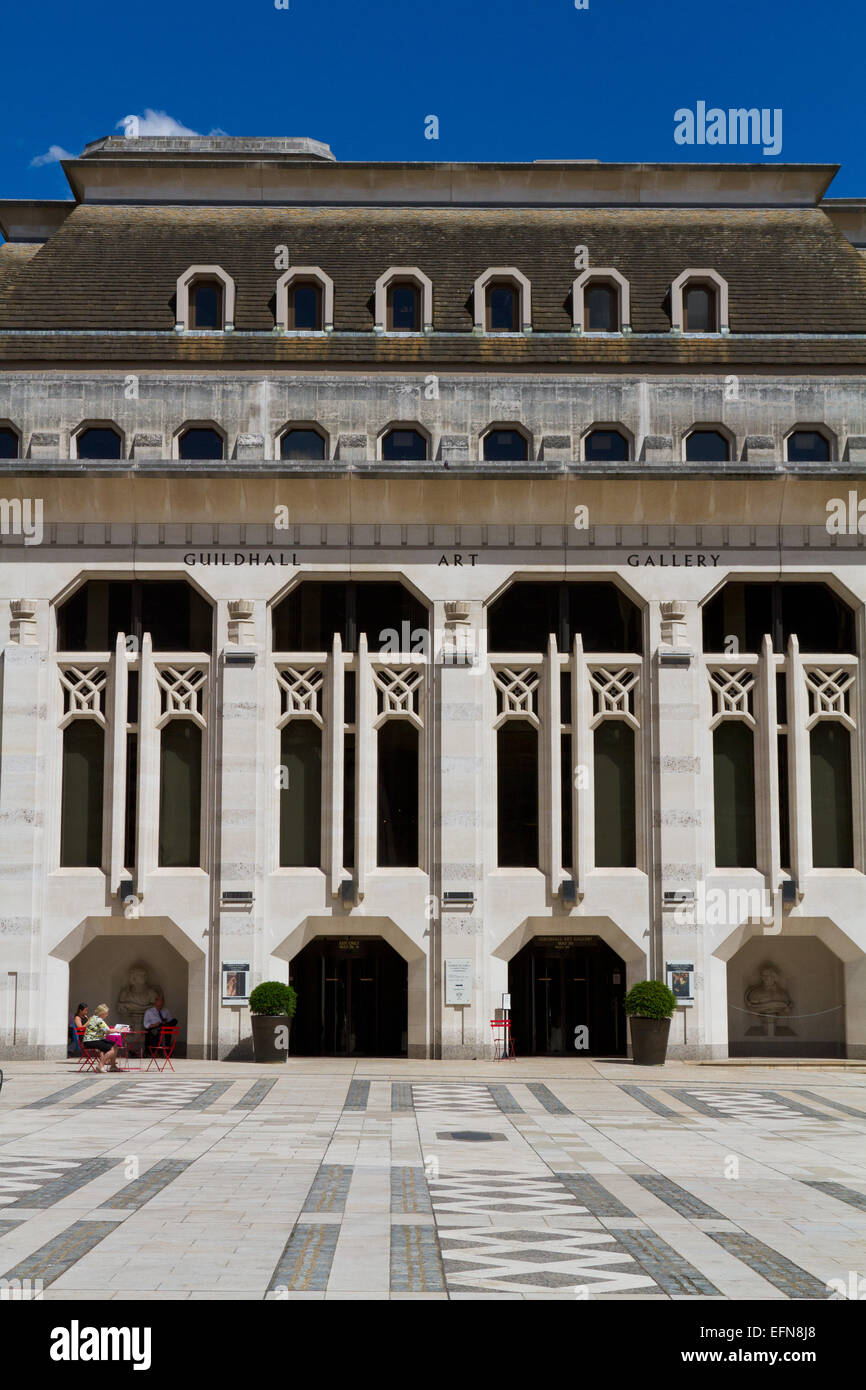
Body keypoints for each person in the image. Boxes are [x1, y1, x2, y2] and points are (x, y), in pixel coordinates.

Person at [83, 1004, 120, 1073]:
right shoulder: (99, 1020)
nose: (107, 1015)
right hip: (92, 1041)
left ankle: (113, 1066)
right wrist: (120, 1030)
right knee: (111, 1049)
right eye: (106, 1013)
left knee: (114, 1045)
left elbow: (105, 1030)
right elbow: (108, 1031)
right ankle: (100, 1065)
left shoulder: (93, 1018)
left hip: (91, 1040)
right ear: (102, 1013)